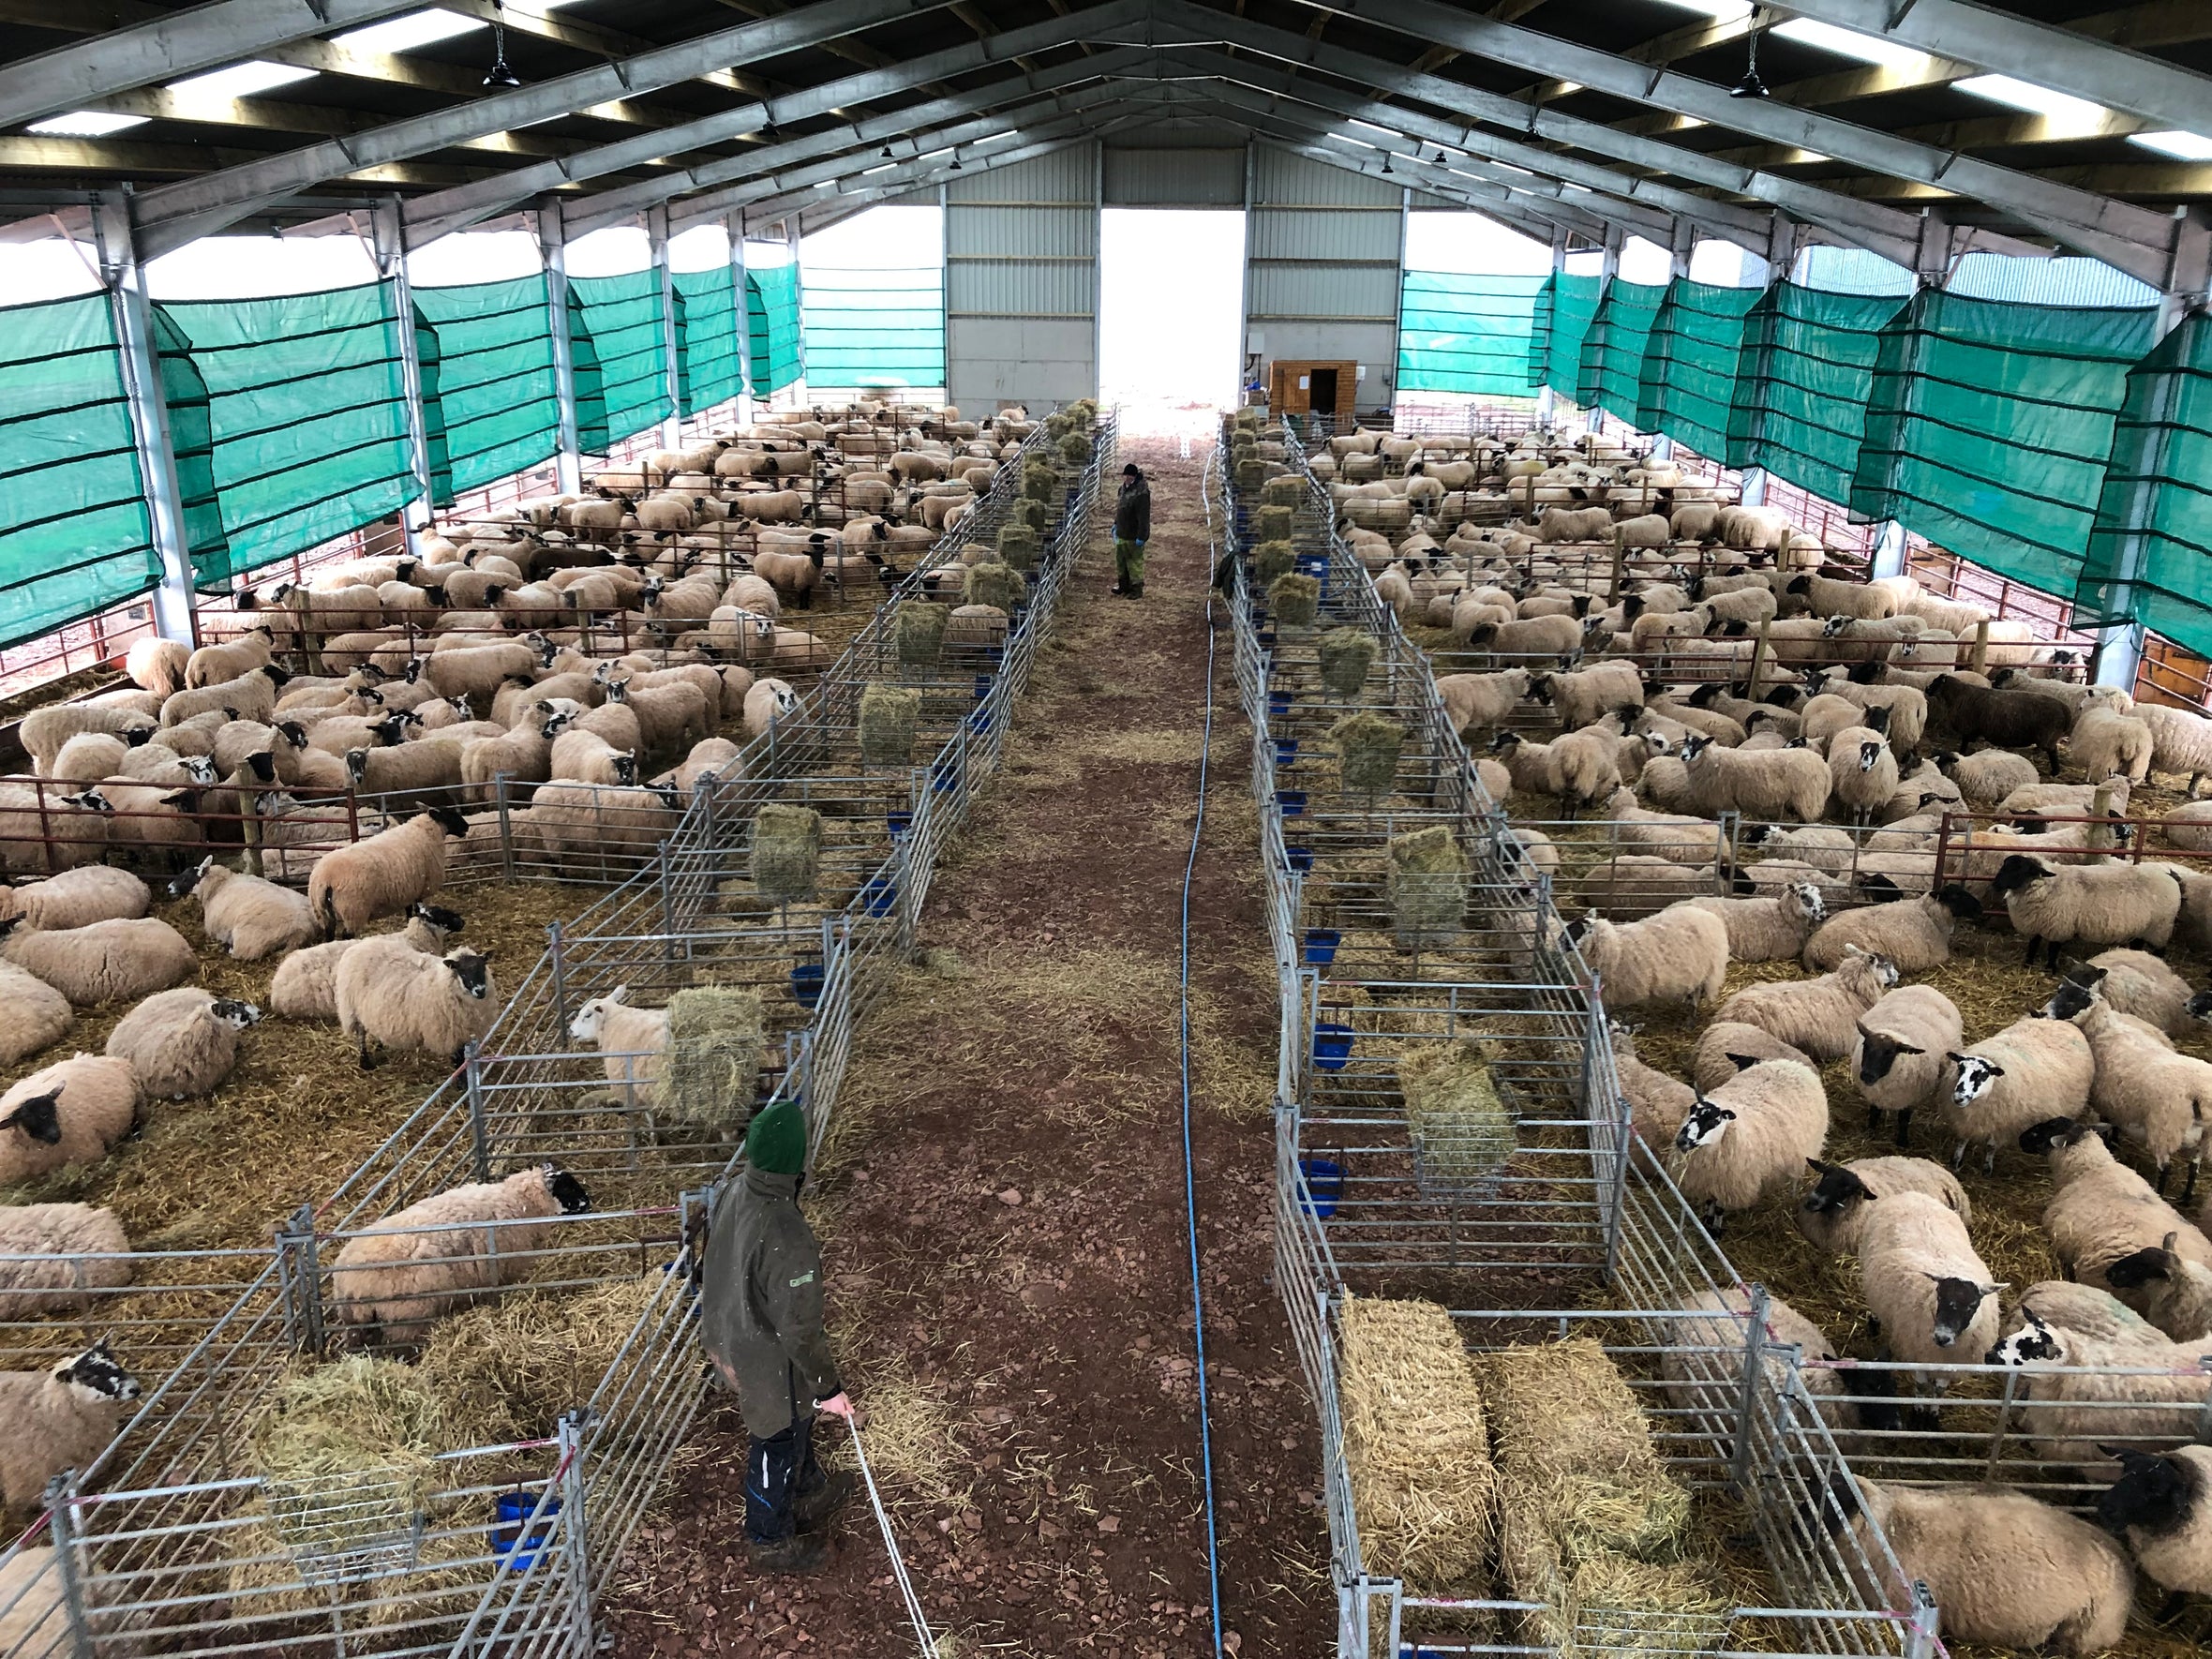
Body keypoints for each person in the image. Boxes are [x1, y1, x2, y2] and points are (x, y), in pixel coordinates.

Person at [699, 1098, 855, 1573]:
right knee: (776, 1435)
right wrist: (828, 1387)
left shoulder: (734, 1190)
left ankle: (807, 1488)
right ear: (797, 1161)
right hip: (762, 1354)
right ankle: (769, 1538)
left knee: (794, 1419)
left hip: (727, 1330)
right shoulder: (786, 1230)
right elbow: (800, 1329)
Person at [1113, 461, 1151, 598]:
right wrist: (1116, 524)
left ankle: (1136, 590)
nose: (1126, 478)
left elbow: (1143, 517)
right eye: (1125, 476)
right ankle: (1123, 586)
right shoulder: (1123, 489)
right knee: (1121, 561)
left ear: (1134, 476)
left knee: (1135, 563)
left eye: (1129, 476)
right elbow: (1120, 509)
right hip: (1122, 531)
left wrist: (1142, 536)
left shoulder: (1141, 494)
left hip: (1133, 534)